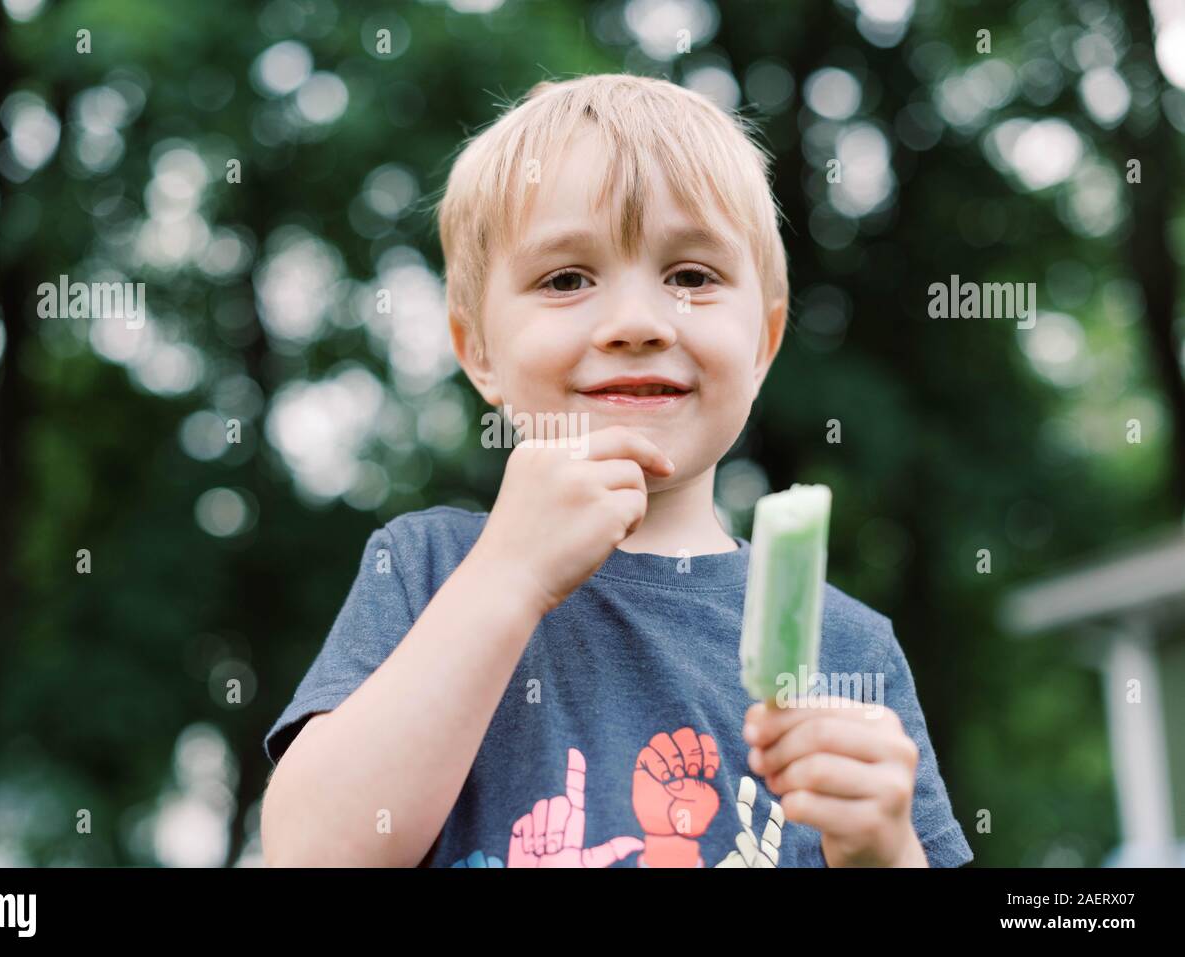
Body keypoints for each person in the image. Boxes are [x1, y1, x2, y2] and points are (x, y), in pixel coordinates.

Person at [259, 73, 973, 868]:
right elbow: (311, 851)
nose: (636, 323)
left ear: (766, 340)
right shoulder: (428, 570)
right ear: (480, 352)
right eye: (567, 279)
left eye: (692, 276)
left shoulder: (848, 647)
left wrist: (883, 850)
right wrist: (510, 577)